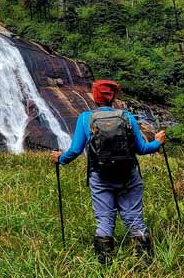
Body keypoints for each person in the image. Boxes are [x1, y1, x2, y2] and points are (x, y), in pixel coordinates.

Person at [50, 80, 167, 265]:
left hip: (100, 176)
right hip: (128, 174)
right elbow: (142, 149)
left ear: (95, 97)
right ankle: (146, 264)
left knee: (104, 219)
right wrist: (158, 142)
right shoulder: (126, 116)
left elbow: (74, 151)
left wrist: (60, 159)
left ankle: (105, 266)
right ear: (114, 97)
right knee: (134, 217)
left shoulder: (84, 118)